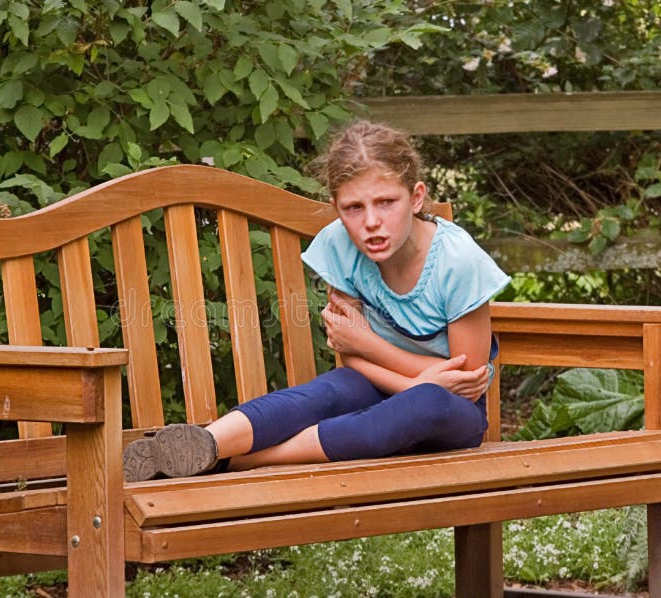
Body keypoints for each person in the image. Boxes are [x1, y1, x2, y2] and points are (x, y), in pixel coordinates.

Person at [123, 120, 511, 483]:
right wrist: (412, 376)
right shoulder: (340, 246)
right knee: (329, 390)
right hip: (378, 384)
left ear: (416, 197)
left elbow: (466, 384)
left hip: (451, 415)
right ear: (336, 208)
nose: (371, 222)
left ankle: (239, 460)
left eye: (386, 203)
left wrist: (374, 348)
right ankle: (207, 442)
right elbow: (350, 356)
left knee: (425, 403)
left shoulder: (457, 262)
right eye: (353, 208)